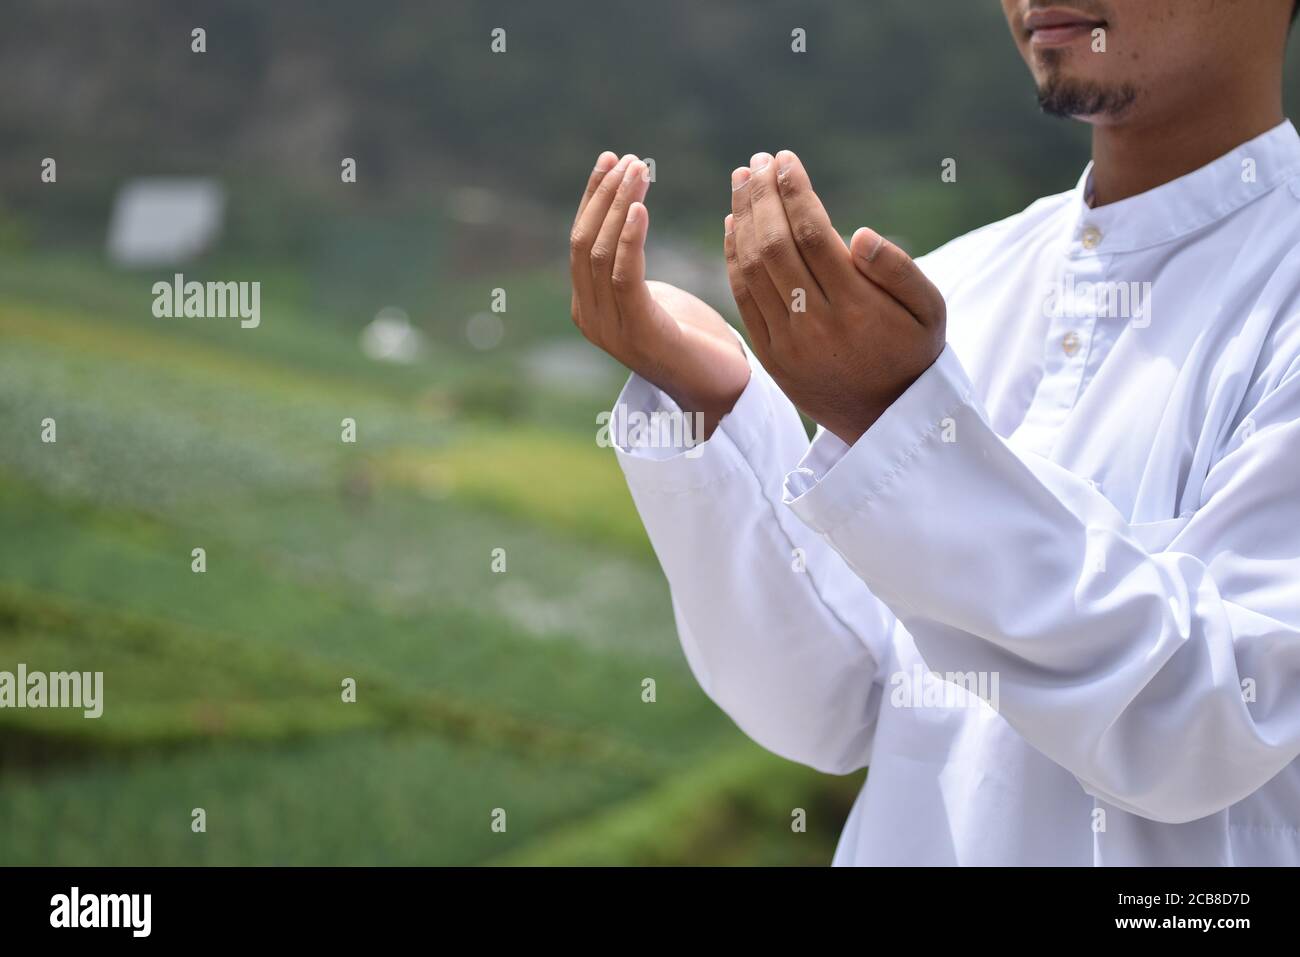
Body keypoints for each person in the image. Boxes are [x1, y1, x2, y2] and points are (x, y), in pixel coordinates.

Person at [567, 0, 1300, 865]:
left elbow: (1208, 715)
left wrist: (896, 419)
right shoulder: (966, 283)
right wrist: (709, 395)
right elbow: (835, 704)